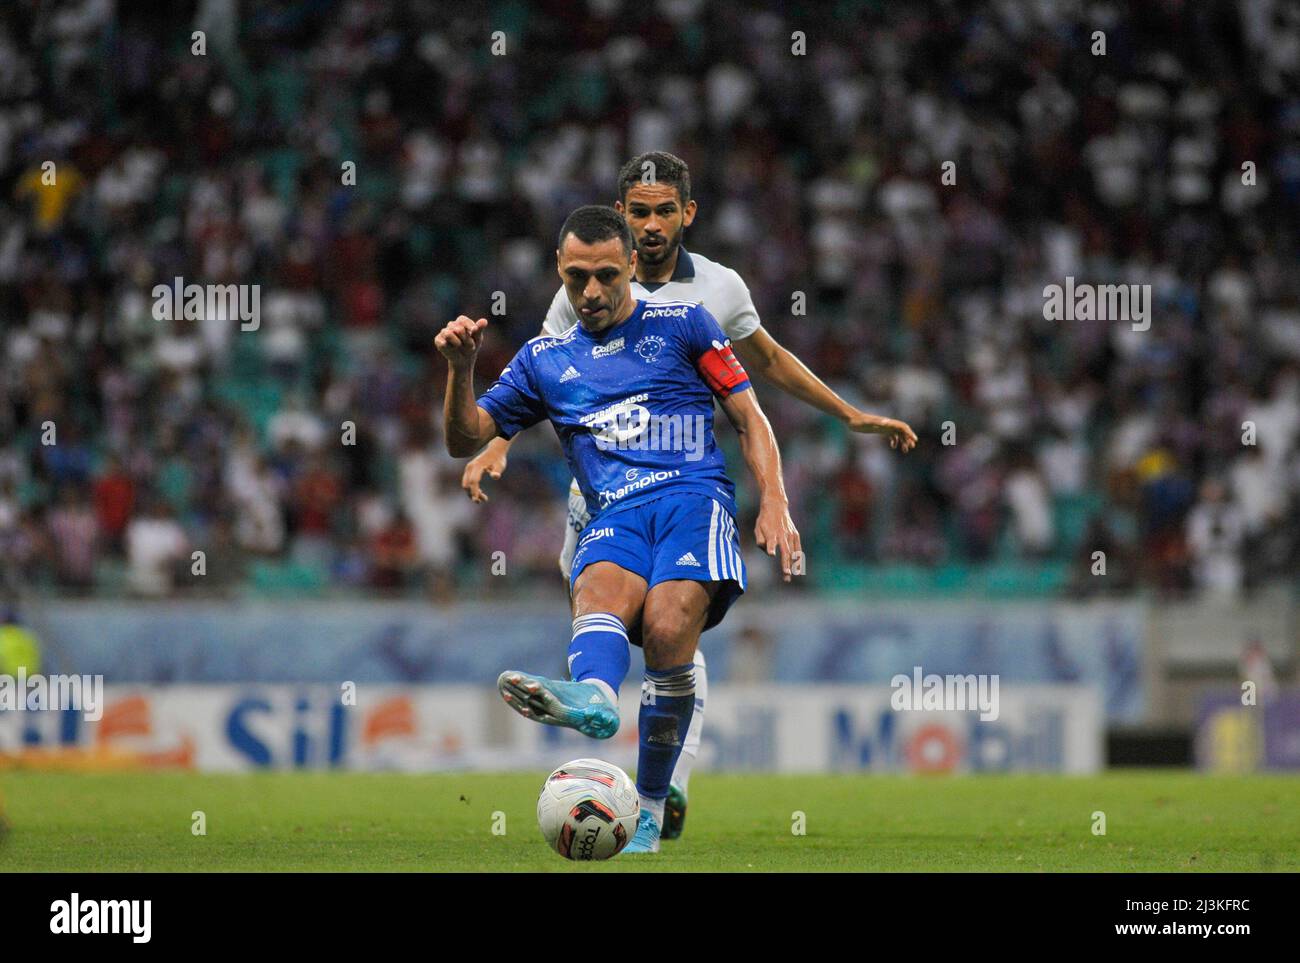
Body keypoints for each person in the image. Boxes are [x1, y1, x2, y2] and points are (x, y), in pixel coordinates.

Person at [460, 152, 917, 838]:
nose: (649, 223)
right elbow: (551, 379)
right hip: (602, 490)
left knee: (672, 628)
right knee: (615, 615)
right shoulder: (583, 285)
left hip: (682, 484)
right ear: (618, 218)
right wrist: (495, 441)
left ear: (686, 215)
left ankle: (663, 782)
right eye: (637, 211)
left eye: (662, 210)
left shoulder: (715, 292)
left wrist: (845, 414)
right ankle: (604, 707)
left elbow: (764, 365)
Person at [436, 205, 798, 853]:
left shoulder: (685, 323)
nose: (593, 292)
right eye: (577, 278)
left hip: (692, 499)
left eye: (607, 274)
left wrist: (774, 497)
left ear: (633, 264)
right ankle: (596, 696)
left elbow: (748, 413)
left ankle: (652, 809)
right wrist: (462, 370)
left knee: (665, 629)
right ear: (559, 271)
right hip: (614, 512)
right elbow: (466, 438)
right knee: (596, 586)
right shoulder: (543, 359)